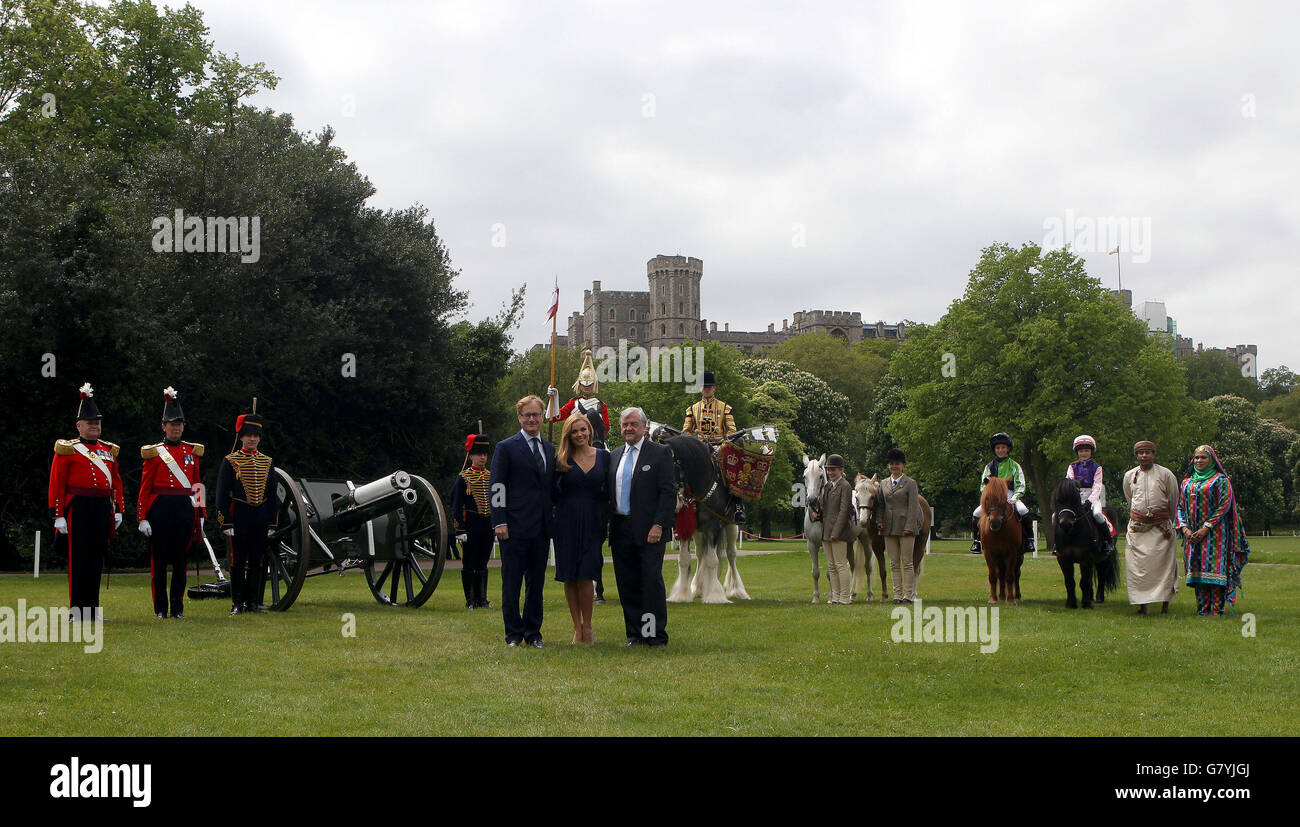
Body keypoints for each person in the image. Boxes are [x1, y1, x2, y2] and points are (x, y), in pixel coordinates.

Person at [48, 383, 124, 622]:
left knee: (95, 559)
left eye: (98, 423)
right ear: (79, 425)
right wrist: (58, 514)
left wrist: (118, 508)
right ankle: (76, 610)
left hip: (101, 507)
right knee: (79, 559)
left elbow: (117, 482)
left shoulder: (108, 450)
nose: (95, 427)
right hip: (78, 507)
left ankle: (92, 610)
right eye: (90, 423)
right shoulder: (68, 449)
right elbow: (56, 483)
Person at [607, 407, 677, 646]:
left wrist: (659, 524)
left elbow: (668, 492)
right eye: (625, 424)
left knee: (650, 582)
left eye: (633, 424)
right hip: (620, 529)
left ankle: (654, 634)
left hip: (650, 532)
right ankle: (635, 634)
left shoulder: (659, 454)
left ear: (644, 427)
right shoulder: (614, 456)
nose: (628, 428)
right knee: (627, 584)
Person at [490, 395, 556, 648]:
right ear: (519, 417)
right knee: (512, 583)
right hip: (513, 527)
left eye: (536, 414)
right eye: (527, 415)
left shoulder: (549, 449)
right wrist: (499, 521)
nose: (531, 419)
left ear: (542, 417)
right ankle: (513, 634)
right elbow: (497, 486)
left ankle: (533, 632)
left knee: (536, 584)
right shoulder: (506, 447)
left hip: (540, 528)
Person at [547, 345, 609, 603]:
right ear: (578, 385)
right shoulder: (572, 403)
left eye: (589, 384)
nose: (586, 388)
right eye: (583, 384)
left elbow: (604, 428)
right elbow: (552, 418)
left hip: (596, 449)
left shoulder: (600, 404)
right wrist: (554, 397)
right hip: (573, 452)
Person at [137, 387, 204, 620]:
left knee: (180, 562)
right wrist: (142, 517)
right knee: (159, 563)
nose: (176, 428)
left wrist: (201, 512)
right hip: (160, 510)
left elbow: (197, 483)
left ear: (183, 427)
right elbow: (145, 488)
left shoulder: (191, 452)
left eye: (179, 424)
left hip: (184, 510)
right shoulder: (154, 453)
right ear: (163, 426)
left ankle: (177, 608)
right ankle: (160, 609)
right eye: (171, 424)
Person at [214, 410, 278, 615]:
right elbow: (222, 494)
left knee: (257, 561)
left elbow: (272, 495)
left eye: (255, 436)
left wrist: (272, 523)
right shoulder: (230, 461)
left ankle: (252, 602)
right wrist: (226, 522)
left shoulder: (267, 462)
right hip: (239, 516)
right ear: (241, 437)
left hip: (260, 518)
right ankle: (237, 603)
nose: (252, 439)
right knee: (238, 561)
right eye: (248, 435)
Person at [553, 413, 609, 644]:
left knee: (586, 575)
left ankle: (588, 627)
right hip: (566, 521)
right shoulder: (561, 459)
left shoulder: (605, 457)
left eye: (582, 429)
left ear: (590, 431)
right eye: (574, 431)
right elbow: (551, 493)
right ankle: (577, 628)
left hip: (593, 520)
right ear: (568, 434)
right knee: (570, 576)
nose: (579, 434)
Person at [1176, 445, 1250, 617]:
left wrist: (1206, 527)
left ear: (1211, 460)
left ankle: (1217, 610)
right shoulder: (1187, 482)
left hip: (1216, 535)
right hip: (1192, 536)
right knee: (1197, 571)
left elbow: (1224, 506)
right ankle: (1202, 610)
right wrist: (1184, 528)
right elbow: (1179, 507)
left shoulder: (1220, 480)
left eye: (1203, 457)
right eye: (1196, 457)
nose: (1199, 460)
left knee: (1215, 570)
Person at [1122, 440, 1180, 615]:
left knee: (1164, 567)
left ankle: (1165, 606)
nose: (1144, 455)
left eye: (1148, 452)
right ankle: (1142, 606)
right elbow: (1129, 499)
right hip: (1138, 530)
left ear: (1153, 454)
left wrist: (1164, 521)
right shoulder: (1129, 476)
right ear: (1136, 455)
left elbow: (1173, 499)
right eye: (1141, 453)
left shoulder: (1165, 474)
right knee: (1138, 568)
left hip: (1161, 530)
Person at [681, 370, 745, 523]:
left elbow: (732, 432)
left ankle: (738, 507)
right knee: (682, 472)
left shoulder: (725, 408)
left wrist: (721, 446)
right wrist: (695, 446)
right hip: (699, 450)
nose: (706, 389)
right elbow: (686, 432)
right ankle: (681, 507)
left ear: (714, 388)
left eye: (709, 386)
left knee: (733, 471)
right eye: (704, 386)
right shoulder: (692, 409)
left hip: (719, 449)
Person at [449, 433, 494, 610]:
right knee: (469, 563)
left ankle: (482, 599)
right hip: (471, 524)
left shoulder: (491, 476)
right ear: (471, 455)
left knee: (483, 562)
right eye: (478, 453)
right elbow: (456, 504)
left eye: (484, 454)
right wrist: (459, 529)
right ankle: (471, 600)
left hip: (487, 523)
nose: (482, 457)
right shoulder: (464, 478)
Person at [970, 433, 1033, 555]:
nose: (1000, 450)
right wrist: (990, 495)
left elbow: (1021, 484)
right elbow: (984, 484)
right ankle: (977, 541)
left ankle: (1029, 540)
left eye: (1003, 448)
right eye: (998, 448)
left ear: (1008, 449)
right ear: (994, 450)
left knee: (1024, 511)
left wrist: (1015, 498)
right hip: (994, 499)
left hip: (1010, 496)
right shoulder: (989, 466)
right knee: (976, 514)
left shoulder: (1015, 465)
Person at [876, 448, 922, 604]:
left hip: (906, 528)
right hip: (889, 527)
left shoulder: (910, 483)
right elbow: (881, 505)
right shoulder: (883, 483)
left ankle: (908, 595)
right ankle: (897, 595)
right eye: (891, 464)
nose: (894, 467)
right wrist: (879, 520)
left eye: (897, 464)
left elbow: (913, 507)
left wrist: (909, 526)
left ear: (903, 465)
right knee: (894, 562)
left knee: (907, 562)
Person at [1066, 435, 1117, 558]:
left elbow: (1098, 486)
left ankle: (1107, 541)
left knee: (1097, 514)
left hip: (1092, 497)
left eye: (1086, 451)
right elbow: (1070, 481)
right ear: (1077, 452)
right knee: (1058, 515)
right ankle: (1059, 543)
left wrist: (1090, 500)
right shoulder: (1072, 467)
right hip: (1075, 497)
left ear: (1091, 452)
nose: (1083, 453)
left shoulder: (1097, 468)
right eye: (1081, 451)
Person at [819, 454, 854, 605]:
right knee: (831, 566)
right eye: (828, 470)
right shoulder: (828, 486)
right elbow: (826, 508)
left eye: (833, 470)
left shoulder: (845, 486)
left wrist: (836, 533)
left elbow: (844, 511)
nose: (830, 472)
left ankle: (845, 597)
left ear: (841, 470)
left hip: (839, 532)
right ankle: (835, 597)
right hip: (826, 530)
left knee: (840, 565)